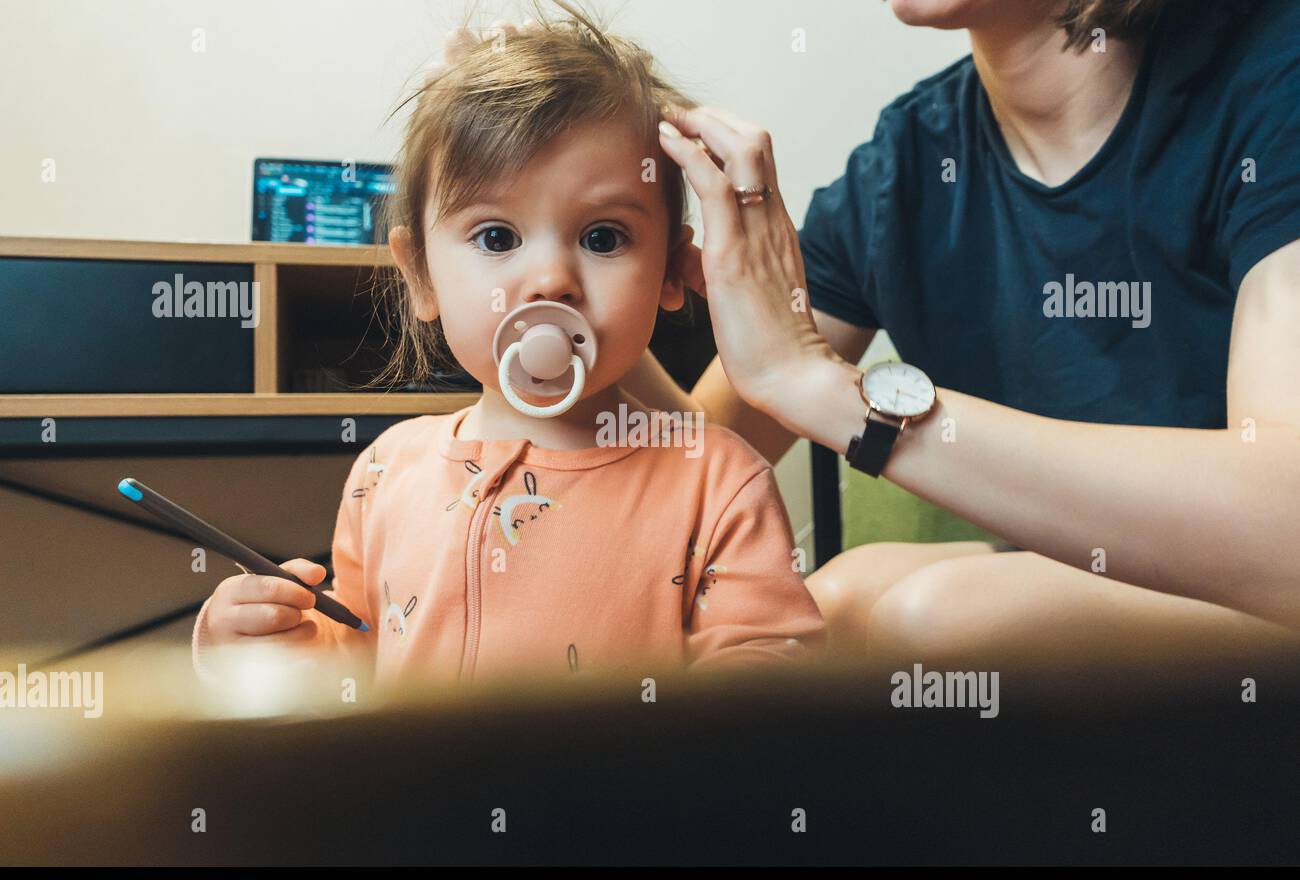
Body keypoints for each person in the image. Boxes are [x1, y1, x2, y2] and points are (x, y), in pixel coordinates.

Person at [634, 0, 1300, 665]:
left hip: (1269, 591)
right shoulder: (911, 162)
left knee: (942, 622)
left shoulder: (1272, 68)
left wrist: (833, 394)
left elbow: (1285, 526)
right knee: (829, 607)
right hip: (1136, 601)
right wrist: (573, 293)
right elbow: (689, 479)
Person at [188, 8, 824, 686]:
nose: (551, 279)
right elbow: (359, 668)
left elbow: (775, 693)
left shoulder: (718, 479)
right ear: (422, 278)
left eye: (602, 237)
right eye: (497, 237)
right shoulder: (386, 472)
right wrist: (269, 647)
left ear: (671, 272)